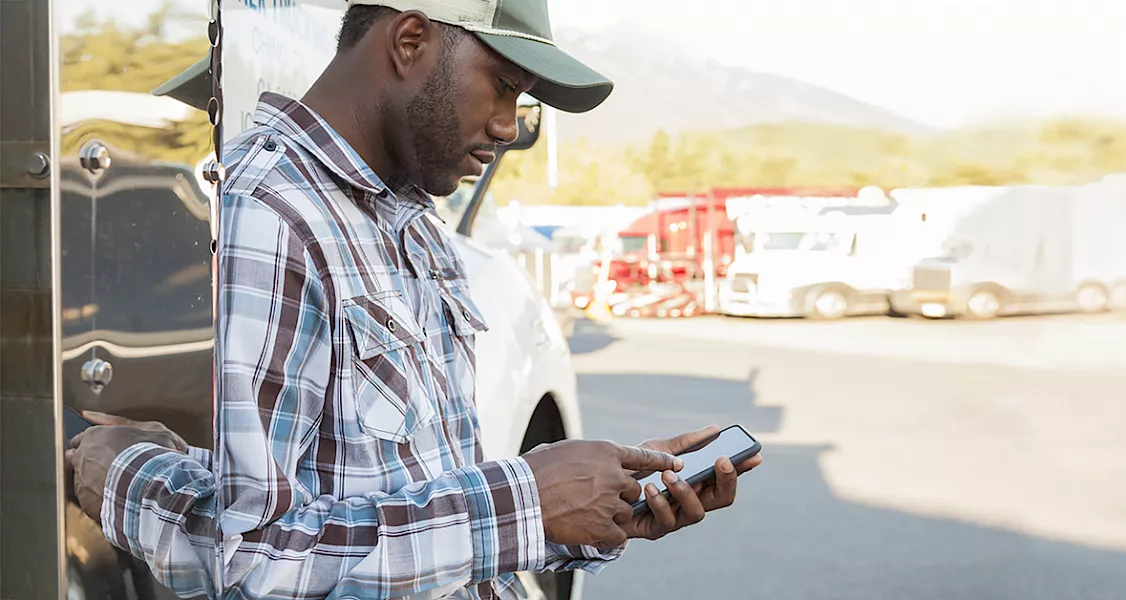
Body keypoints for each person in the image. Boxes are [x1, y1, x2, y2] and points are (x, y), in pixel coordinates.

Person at [67, 0, 763, 598]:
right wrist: (524, 505)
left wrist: (588, 506)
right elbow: (255, 563)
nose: (510, 126)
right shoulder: (272, 213)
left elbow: (424, 503)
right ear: (409, 42)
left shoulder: (410, 221)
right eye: (504, 86)